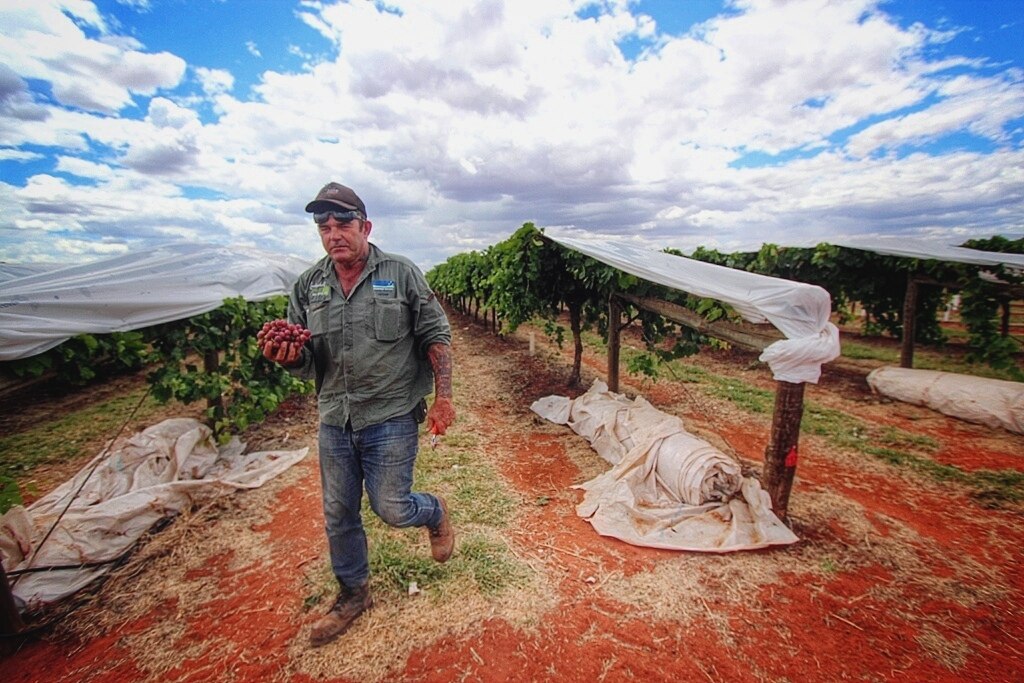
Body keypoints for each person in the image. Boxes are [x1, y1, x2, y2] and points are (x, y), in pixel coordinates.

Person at [262, 181, 456, 647]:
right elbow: (307, 362)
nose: (333, 234)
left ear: (365, 226)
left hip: (390, 413)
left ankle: (434, 512)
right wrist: (289, 359)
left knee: (390, 507)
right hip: (335, 417)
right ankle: (353, 593)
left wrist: (444, 397)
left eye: (343, 223)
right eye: (323, 226)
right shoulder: (308, 286)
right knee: (338, 511)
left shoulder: (401, 273)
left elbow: (436, 335)